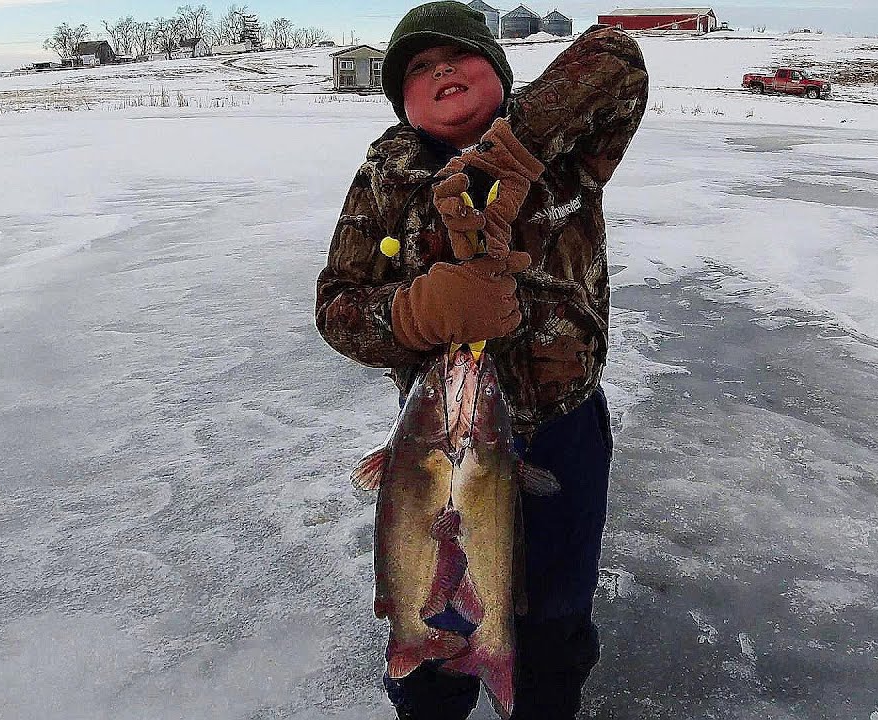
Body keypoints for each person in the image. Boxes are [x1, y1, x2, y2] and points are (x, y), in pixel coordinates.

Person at [315, 2, 647, 717]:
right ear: (401, 101)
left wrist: (516, 148)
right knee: (428, 617)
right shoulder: (382, 178)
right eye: (418, 70)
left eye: (457, 58)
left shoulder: (564, 153)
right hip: (433, 439)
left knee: (554, 616)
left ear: (499, 73)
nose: (441, 74)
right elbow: (337, 307)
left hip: (561, 429)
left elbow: (618, 56)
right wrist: (416, 313)